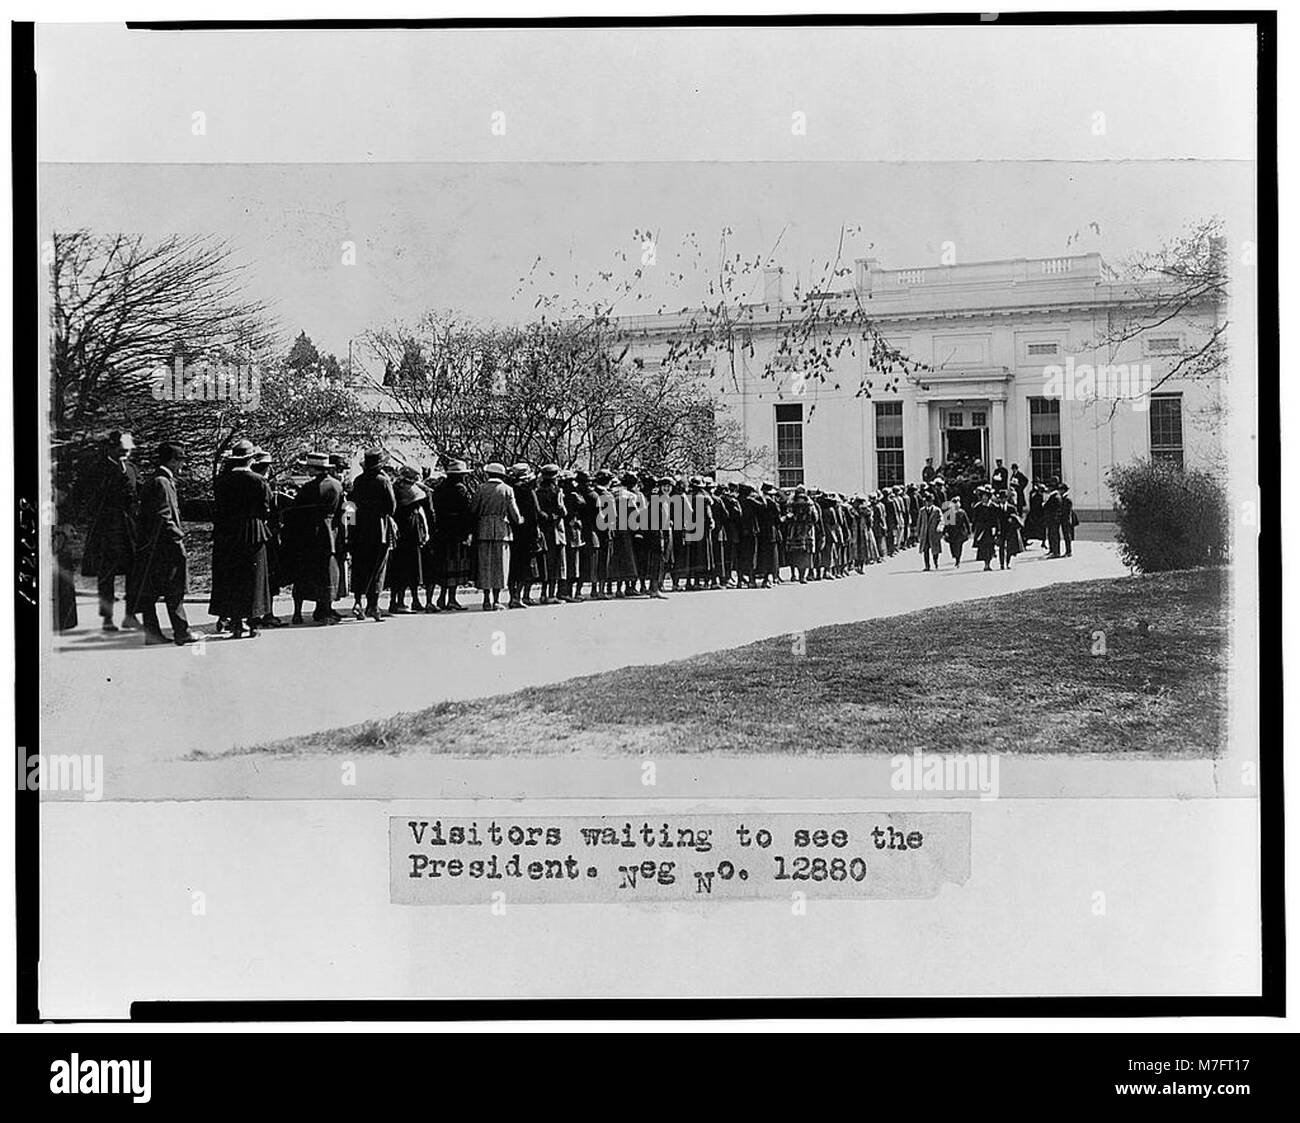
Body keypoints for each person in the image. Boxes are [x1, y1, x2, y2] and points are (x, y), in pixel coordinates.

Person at [129, 442, 196, 646]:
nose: (182, 466)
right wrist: (178, 537)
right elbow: (164, 516)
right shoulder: (162, 482)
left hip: (152, 547)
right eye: (181, 461)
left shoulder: (158, 480)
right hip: (165, 548)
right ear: (173, 460)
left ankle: (153, 634)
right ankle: (181, 632)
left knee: (151, 593)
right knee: (174, 590)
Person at [208, 439, 273, 639]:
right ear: (251, 459)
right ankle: (253, 623)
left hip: (227, 533)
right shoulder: (259, 481)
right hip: (253, 531)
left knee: (231, 577)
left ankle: (236, 622)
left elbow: (219, 507)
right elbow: (266, 507)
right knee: (255, 578)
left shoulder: (222, 481)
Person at [80, 430, 142, 632]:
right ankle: (107, 618)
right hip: (106, 530)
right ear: (111, 448)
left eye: (128, 450)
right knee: (106, 575)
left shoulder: (132, 469)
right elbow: (87, 497)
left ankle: (130, 615)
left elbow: (137, 495)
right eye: (121, 449)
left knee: (134, 572)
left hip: (129, 530)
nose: (125, 453)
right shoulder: (98, 470)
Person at [286, 451, 344, 625]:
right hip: (329, 533)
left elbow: (296, 511)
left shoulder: (306, 488)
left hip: (307, 533)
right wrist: (346, 532)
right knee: (326, 572)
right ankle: (325, 611)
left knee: (304, 572)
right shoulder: (337, 486)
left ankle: (297, 612)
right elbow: (346, 512)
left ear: (313, 468)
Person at [350, 450, 397, 621]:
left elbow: (350, 506)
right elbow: (391, 507)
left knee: (360, 565)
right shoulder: (383, 481)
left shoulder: (358, 481)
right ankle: (374, 606)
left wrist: (350, 526)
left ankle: (357, 602)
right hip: (379, 528)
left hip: (359, 528)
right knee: (377, 567)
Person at [472, 462, 522, 611]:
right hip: (501, 530)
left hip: (483, 530)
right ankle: (497, 600)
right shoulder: (507, 490)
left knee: (485, 566)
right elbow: (515, 515)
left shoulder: (480, 489)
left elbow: (473, 509)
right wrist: (520, 520)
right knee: (500, 566)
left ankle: (486, 599)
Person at [427, 459, 473, 610]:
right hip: (457, 531)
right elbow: (467, 512)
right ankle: (451, 598)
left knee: (443, 565)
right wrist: (468, 531)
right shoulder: (461, 490)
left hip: (442, 530)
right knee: (455, 565)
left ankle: (441, 597)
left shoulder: (440, 488)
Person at [387, 466, 429, 613]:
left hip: (403, 535)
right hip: (409, 534)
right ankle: (402, 601)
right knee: (408, 569)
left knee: (401, 568)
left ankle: (403, 600)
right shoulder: (410, 510)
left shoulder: (396, 490)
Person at [535, 464, 568, 604]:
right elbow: (562, 510)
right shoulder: (557, 492)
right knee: (556, 564)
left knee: (546, 564)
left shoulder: (538, 491)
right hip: (556, 530)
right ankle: (551, 594)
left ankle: (543, 593)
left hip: (543, 530)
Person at [970, 486, 1001, 572]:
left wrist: (997, 530)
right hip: (981, 529)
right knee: (983, 547)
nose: (984, 498)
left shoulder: (994, 507)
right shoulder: (978, 507)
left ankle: (988, 562)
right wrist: (973, 529)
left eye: (986, 496)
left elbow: (997, 519)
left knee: (990, 546)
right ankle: (985, 563)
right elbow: (975, 519)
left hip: (990, 529)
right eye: (982, 497)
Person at [917, 490, 944, 571]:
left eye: (930, 501)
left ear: (932, 502)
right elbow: (919, 522)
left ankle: (935, 562)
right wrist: (918, 532)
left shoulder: (937, 510)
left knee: (935, 550)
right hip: (924, 533)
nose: (928, 503)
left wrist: (939, 528)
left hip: (933, 533)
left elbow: (941, 520)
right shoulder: (922, 511)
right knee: (925, 550)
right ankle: (927, 566)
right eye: (927, 501)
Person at [997, 491, 1024, 569]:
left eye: (1004, 498)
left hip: (1010, 530)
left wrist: (1012, 519)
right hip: (1001, 530)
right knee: (1001, 547)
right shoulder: (996, 508)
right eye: (1001, 498)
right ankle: (1002, 564)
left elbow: (1017, 517)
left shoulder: (1011, 508)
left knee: (1009, 547)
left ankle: (1008, 562)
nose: (1002, 500)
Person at [943, 495, 971, 567]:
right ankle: (955, 555)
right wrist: (945, 532)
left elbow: (966, 522)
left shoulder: (962, 512)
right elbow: (946, 523)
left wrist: (969, 531)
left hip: (960, 532)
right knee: (952, 546)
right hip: (951, 532)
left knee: (959, 545)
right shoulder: (949, 513)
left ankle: (958, 560)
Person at [1043, 480, 1064, 558]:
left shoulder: (1054, 497)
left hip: (1053, 519)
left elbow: (1049, 507)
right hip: (1053, 519)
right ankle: (1053, 550)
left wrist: (1044, 504)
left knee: (1054, 535)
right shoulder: (1056, 496)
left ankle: (1056, 552)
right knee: (1052, 535)